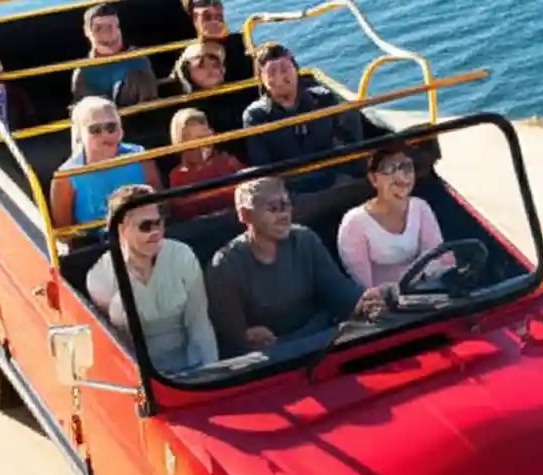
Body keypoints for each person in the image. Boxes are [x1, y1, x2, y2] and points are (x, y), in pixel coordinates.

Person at [205, 177, 386, 357]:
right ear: (246, 215)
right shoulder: (225, 265)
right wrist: (246, 337)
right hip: (274, 359)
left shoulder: (305, 239)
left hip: (323, 343)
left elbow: (340, 293)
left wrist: (367, 302)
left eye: (286, 205)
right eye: (273, 209)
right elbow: (233, 339)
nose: (284, 215)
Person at [85, 185, 219, 372]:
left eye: (159, 223)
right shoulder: (100, 277)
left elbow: (199, 325)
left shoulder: (183, 256)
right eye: (145, 226)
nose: (156, 232)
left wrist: (210, 373)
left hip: (191, 368)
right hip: (141, 374)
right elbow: (115, 346)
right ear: (121, 230)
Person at [241, 42, 364, 195]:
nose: (280, 77)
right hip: (289, 192)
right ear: (261, 79)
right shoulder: (255, 116)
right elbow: (262, 166)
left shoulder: (323, 99)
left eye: (284, 69)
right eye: (272, 72)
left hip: (332, 179)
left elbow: (346, 138)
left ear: (296, 70)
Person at [336, 144, 453, 288]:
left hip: (428, 293)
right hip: (385, 299)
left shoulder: (420, 208)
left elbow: (439, 258)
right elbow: (364, 288)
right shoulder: (354, 223)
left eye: (407, 167)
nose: (400, 176)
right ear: (373, 178)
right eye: (388, 168)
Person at [51, 96, 163, 229]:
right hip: (94, 240)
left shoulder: (141, 157)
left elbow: (161, 205)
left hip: (146, 232)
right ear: (80, 134)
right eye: (95, 130)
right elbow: (64, 230)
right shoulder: (65, 177)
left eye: (111, 127)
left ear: (121, 130)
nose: (105, 135)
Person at [71, 4, 159, 106]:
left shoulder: (137, 57)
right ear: (87, 31)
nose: (106, 33)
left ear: (118, 27)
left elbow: (150, 101)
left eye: (110, 27)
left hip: (140, 113)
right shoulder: (83, 71)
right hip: (102, 114)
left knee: (136, 76)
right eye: (99, 28)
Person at [167, 108, 246, 221]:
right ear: (182, 142)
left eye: (208, 136)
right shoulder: (178, 176)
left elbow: (250, 191)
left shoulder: (228, 161)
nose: (206, 143)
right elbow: (186, 214)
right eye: (199, 139)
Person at [179, 0, 254, 81]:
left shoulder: (241, 42)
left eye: (218, 17)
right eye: (207, 17)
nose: (214, 21)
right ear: (194, 19)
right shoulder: (190, 57)